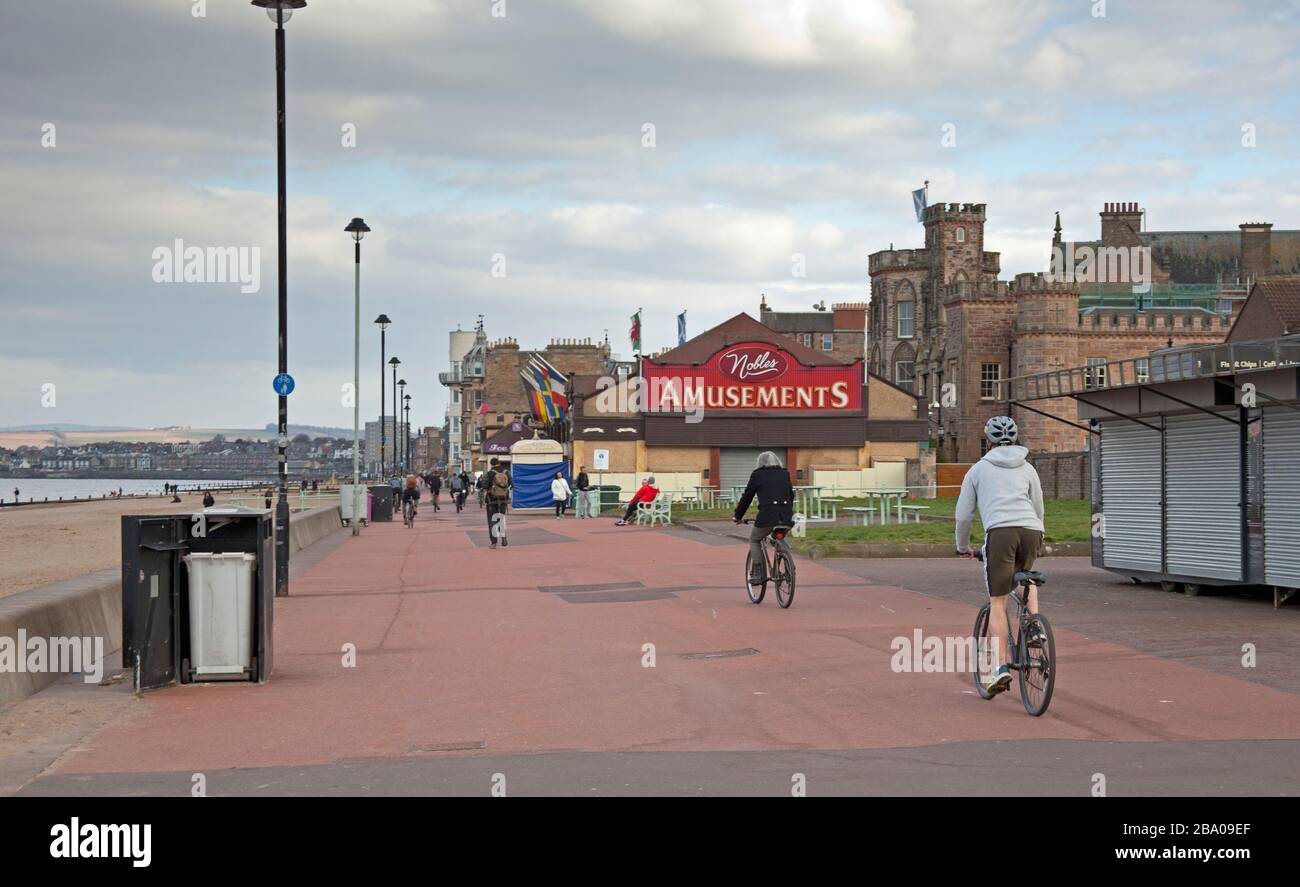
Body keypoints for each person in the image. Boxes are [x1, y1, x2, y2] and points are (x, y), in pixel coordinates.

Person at [956, 415, 1046, 698]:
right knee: (1026, 577)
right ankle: (1034, 629)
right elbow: (1038, 505)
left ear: (988, 441)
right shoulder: (1028, 467)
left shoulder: (977, 470)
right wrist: (1039, 535)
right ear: (1016, 439)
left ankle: (999, 667)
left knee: (998, 602)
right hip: (1031, 529)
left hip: (1000, 533)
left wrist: (962, 546)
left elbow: (963, 516)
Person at [731, 452, 794, 584]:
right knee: (778, 537)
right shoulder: (784, 473)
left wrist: (738, 516)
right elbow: (791, 495)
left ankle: (758, 573)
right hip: (786, 516)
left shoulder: (757, 475)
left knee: (755, 539)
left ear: (760, 463)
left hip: (767, 516)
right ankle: (789, 568)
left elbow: (747, 497)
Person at [483, 458, 511, 548]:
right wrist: (505, 491)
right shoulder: (506, 472)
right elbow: (512, 484)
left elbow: (484, 485)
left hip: (492, 500)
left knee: (492, 521)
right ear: (499, 463)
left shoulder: (490, 473)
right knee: (501, 519)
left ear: (491, 464)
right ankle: (503, 538)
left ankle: (494, 543)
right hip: (503, 500)